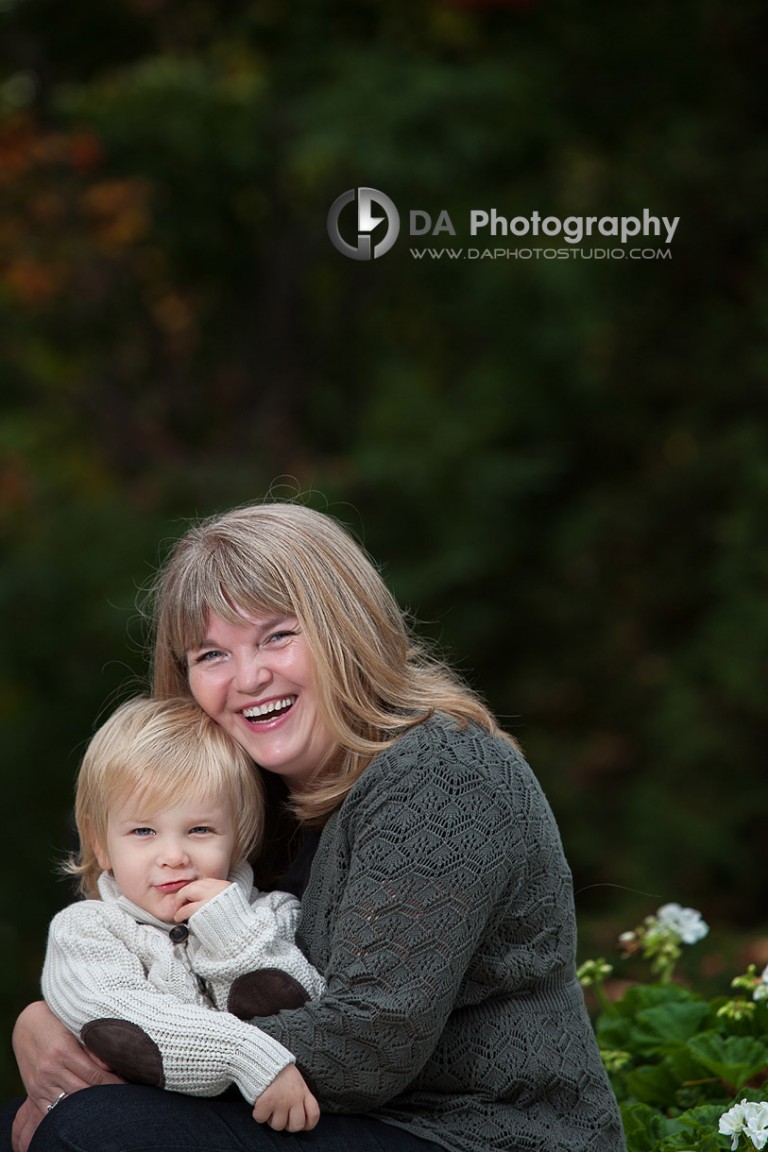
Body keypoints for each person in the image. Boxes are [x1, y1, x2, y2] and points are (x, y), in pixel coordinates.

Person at [7, 499, 626, 1152]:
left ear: (344, 629)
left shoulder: (444, 771)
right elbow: (140, 953)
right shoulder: (236, 800)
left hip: (476, 1135)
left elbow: (365, 1048)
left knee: (96, 1132)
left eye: (276, 636)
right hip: (326, 1120)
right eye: (212, 654)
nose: (249, 677)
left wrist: (123, 1046)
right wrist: (46, 1018)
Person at [41, 695, 326, 1132]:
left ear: (238, 836)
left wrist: (229, 932)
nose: (173, 855)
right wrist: (248, 1056)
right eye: (143, 831)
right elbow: (123, 1019)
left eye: (200, 830)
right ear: (100, 844)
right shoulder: (86, 931)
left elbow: (306, 1007)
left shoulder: (274, 915)